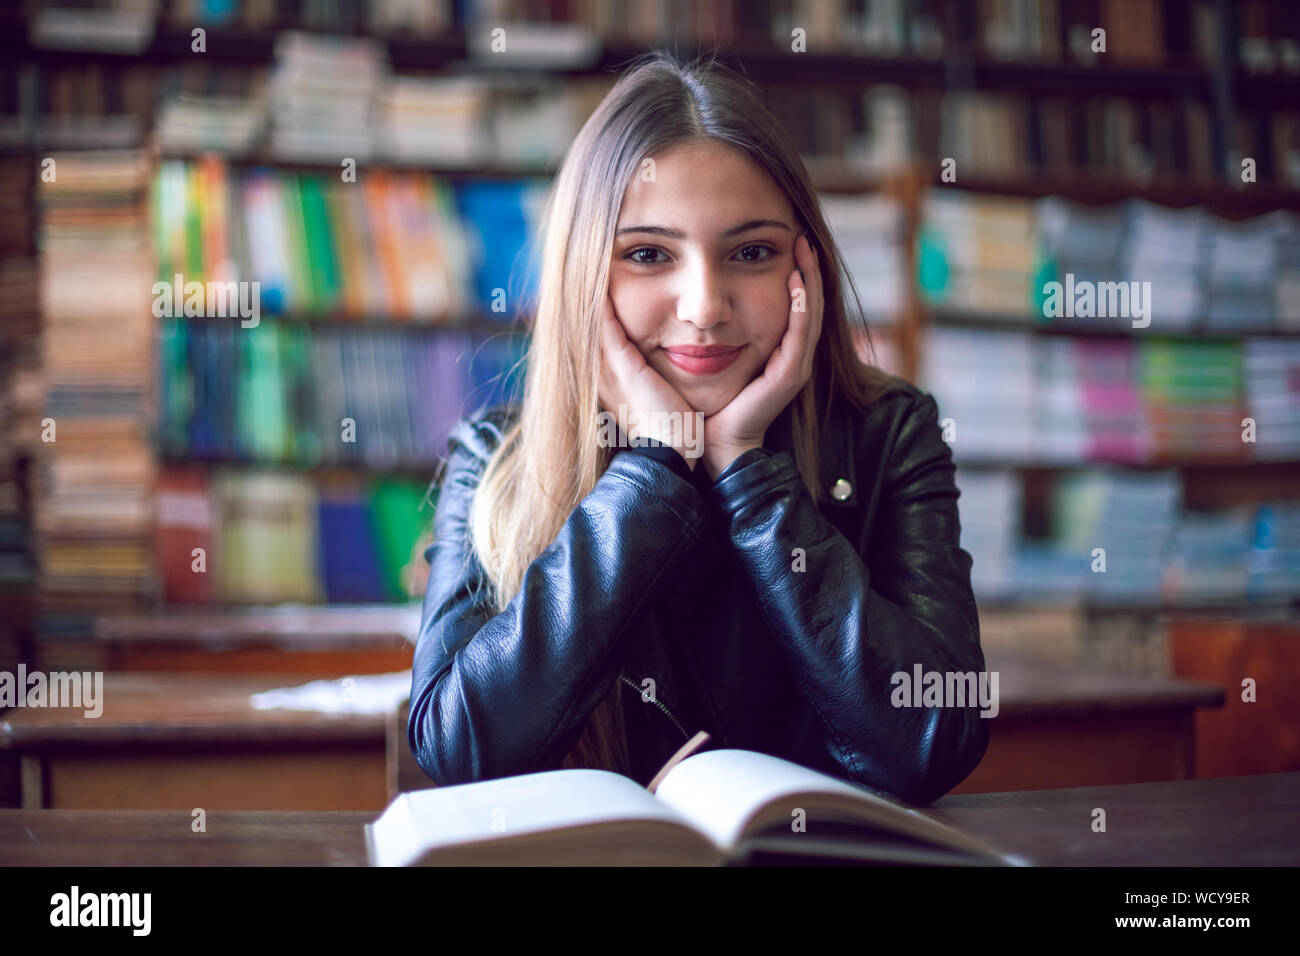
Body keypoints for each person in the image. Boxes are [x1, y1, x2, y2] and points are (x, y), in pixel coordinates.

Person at [408, 50, 989, 807]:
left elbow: (935, 737)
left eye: (750, 252)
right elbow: (459, 749)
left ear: (804, 270)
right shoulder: (491, 457)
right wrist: (652, 467)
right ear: (585, 273)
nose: (705, 305)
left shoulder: (890, 436)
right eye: (648, 255)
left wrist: (748, 474)